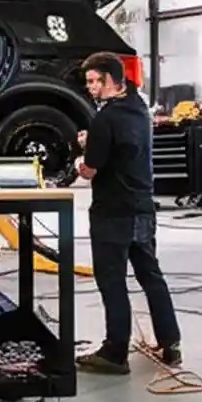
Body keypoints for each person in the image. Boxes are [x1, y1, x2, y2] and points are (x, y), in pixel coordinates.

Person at [76, 52, 181, 373]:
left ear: (112, 80)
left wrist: (83, 151)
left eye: (96, 81)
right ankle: (170, 343)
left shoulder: (105, 119)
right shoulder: (140, 110)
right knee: (151, 275)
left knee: (112, 280)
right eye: (88, 82)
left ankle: (114, 352)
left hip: (113, 213)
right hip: (143, 208)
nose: (92, 87)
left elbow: (91, 170)